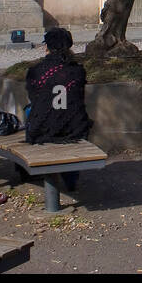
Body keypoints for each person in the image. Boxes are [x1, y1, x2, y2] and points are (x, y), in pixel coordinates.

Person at [25, 27, 94, 191]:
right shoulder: (77, 71)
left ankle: (30, 170)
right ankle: (71, 180)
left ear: (46, 47)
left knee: (29, 110)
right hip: (73, 127)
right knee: (72, 116)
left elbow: (34, 98)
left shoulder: (35, 71)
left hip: (42, 128)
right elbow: (78, 98)